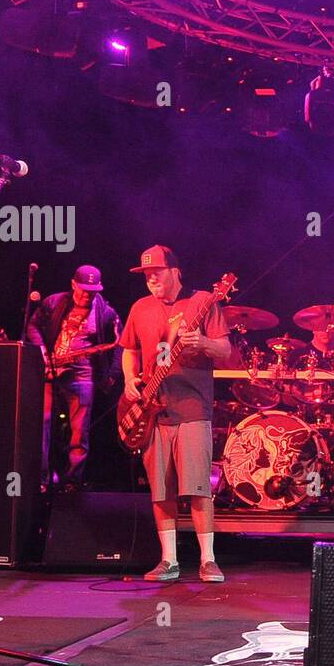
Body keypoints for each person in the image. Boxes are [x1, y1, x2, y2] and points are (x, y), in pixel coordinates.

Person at [119, 246, 232, 582]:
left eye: (157, 271)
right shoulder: (139, 308)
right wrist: (129, 380)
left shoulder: (203, 303)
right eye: (146, 274)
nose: (151, 278)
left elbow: (225, 350)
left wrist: (203, 344)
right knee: (160, 489)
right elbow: (128, 349)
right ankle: (169, 561)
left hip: (192, 406)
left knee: (198, 486)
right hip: (152, 409)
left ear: (175, 271)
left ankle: (208, 559)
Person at [26, 265, 121, 488]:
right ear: (72, 284)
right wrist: (42, 352)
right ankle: (41, 480)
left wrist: (112, 374)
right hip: (52, 370)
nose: (87, 295)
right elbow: (32, 326)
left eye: (93, 291)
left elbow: (120, 345)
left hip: (83, 375)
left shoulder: (106, 312)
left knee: (79, 434)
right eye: (83, 290)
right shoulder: (54, 302)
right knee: (43, 423)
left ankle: (72, 483)